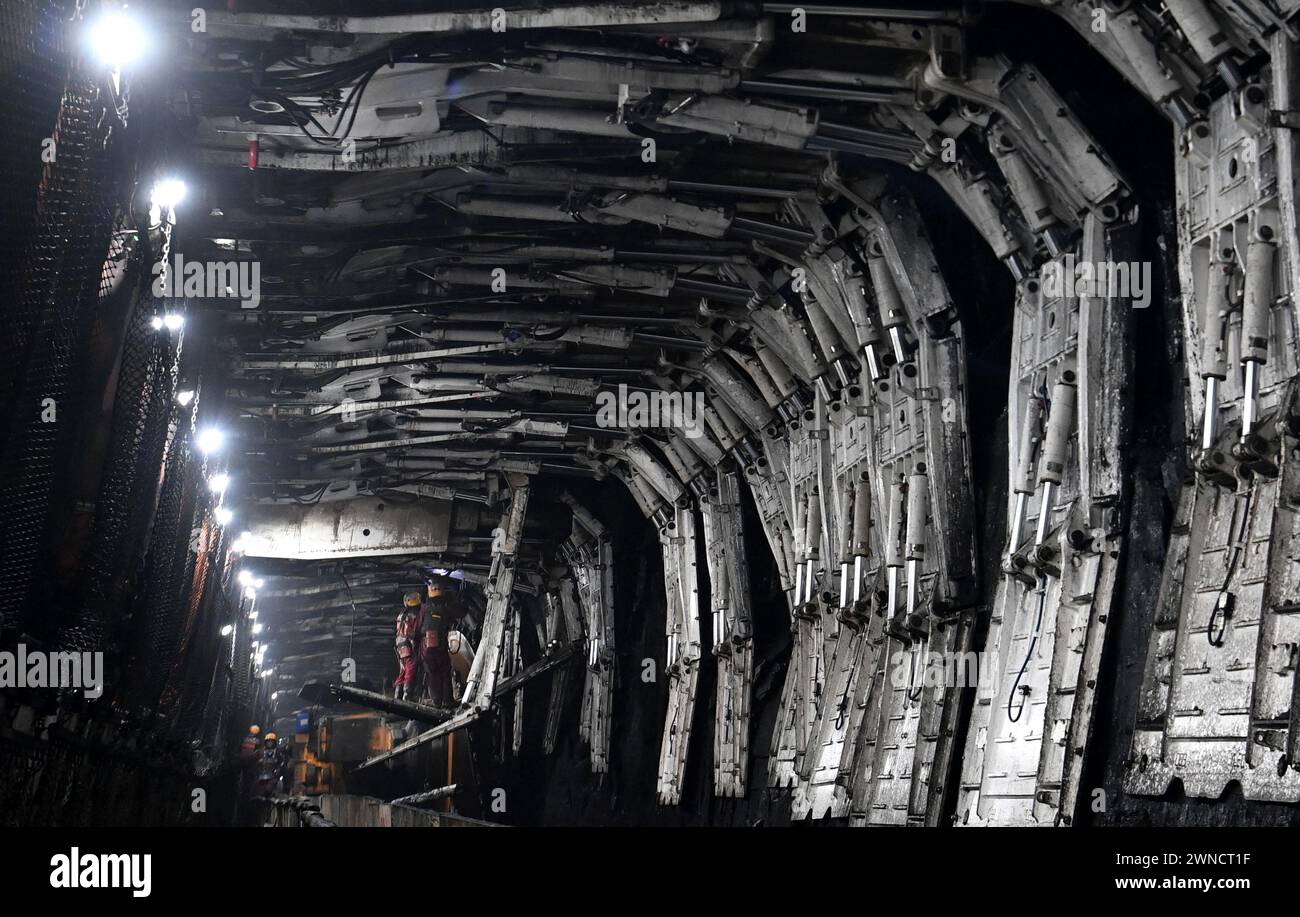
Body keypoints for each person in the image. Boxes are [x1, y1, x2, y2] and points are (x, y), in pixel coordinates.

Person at [417, 579, 455, 706]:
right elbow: (460, 612)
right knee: (444, 672)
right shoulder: (445, 608)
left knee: (432, 674)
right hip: (440, 646)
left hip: (426, 647)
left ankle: (436, 700)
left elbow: (418, 629)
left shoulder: (423, 610)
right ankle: (447, 701)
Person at [394, 592, 422, 701]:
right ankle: (407, 697)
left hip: (399, 646)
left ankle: (397, 696)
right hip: (408, 645)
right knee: (410, 670)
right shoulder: (412, 616)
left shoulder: (401, 615)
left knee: (403, 670)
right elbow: (411, 633)